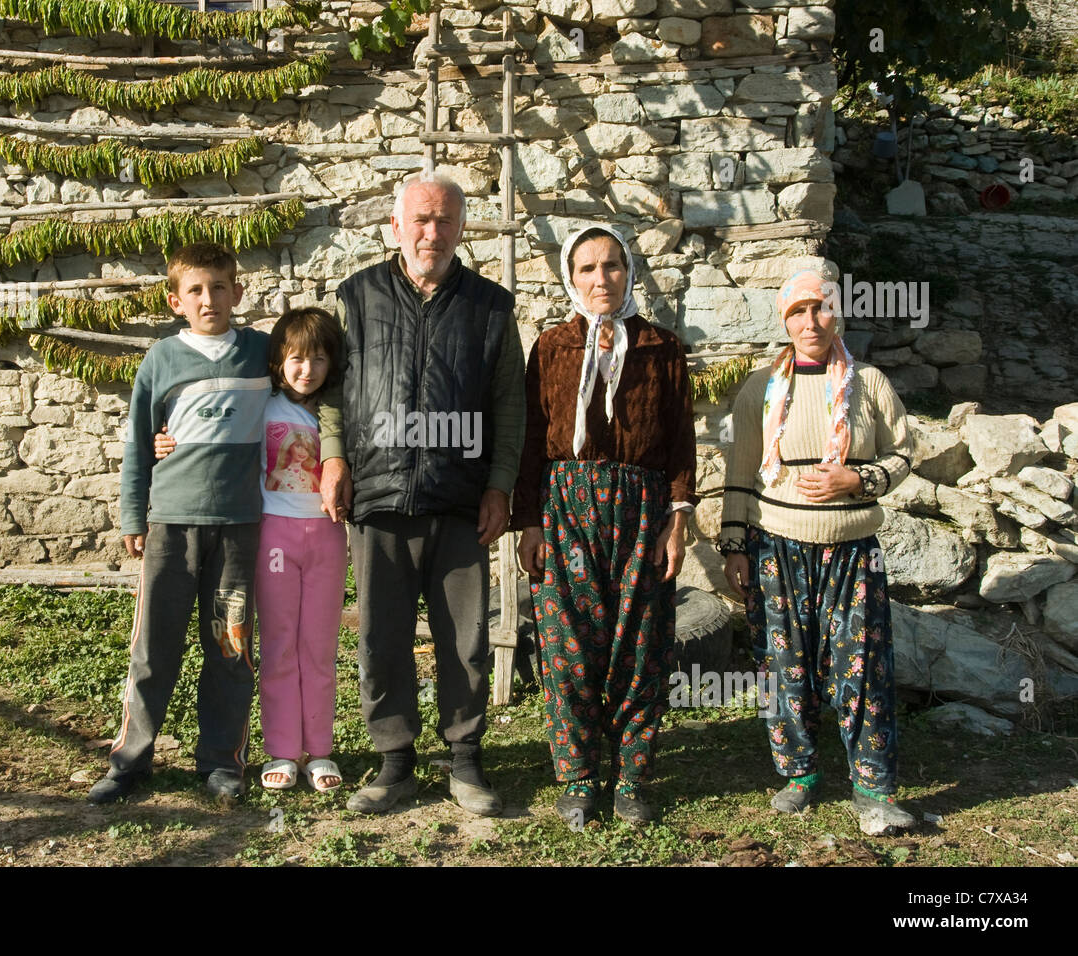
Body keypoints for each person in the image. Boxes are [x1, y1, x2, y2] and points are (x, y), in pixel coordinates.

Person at [317, 171, 526, 817]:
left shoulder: (492, 307)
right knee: (381, 638)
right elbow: (332, 391)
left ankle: (465, 761)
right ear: (396, 227)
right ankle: (394, 765)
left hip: (459, 500)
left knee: (464, 641)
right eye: (421, 220)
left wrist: (498, 486)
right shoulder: (353, 299)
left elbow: (509, 406)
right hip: (377, 497)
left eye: (445, 220)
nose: (431, 232)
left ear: (462, 228)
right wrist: (331, 459)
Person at [719, 268, 916, 833]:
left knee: (863, 666)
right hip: (777, 548)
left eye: (821, 309)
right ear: (785, 320)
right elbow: (741, 471)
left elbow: (904, 453)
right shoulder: (760, 389)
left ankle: (874, 785)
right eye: (799, 312)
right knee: (783, 666)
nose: (811, 322)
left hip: (852, 551)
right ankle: (799, 771)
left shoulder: (869, 383)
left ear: (839, 315)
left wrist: (858, 480)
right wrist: (735, 547)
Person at [512, 224, 696, 828]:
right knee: (568, 646)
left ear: (629, 271)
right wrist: (530, 522)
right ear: (571, 276)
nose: (601, 279)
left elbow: (679, 444)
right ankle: (579, 775)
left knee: (639, 646)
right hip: (566, 507)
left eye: (612, 266)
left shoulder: (662, 347)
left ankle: (634, 776)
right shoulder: (551, 347)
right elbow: (532, 442)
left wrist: (678, 520)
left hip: (642, 510)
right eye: (587, 268)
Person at [88, 242, 270, 806]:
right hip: (171, 525)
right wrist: (132, 513)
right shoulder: (162, 359)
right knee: (154, 647)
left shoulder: (264, 353)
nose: (208, 298)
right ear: (176, 301)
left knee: (230, 644)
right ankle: (130, 761)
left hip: (240, 527)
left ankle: (221, 761)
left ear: (238, 292)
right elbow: (141, 443)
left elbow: (307, 396)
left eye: (219, 287)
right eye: (195, 290)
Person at [155, 308, 347, 794]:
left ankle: (320, 750)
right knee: (280, 646)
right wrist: (168, 438)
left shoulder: (340, 409)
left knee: (320, 648)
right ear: (279, 359)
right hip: (274, 536)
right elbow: (214, 425)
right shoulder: (261, 403)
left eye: (320, 359)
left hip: (327, 535)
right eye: (298, 359)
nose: (308, 370)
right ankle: (282, 749)